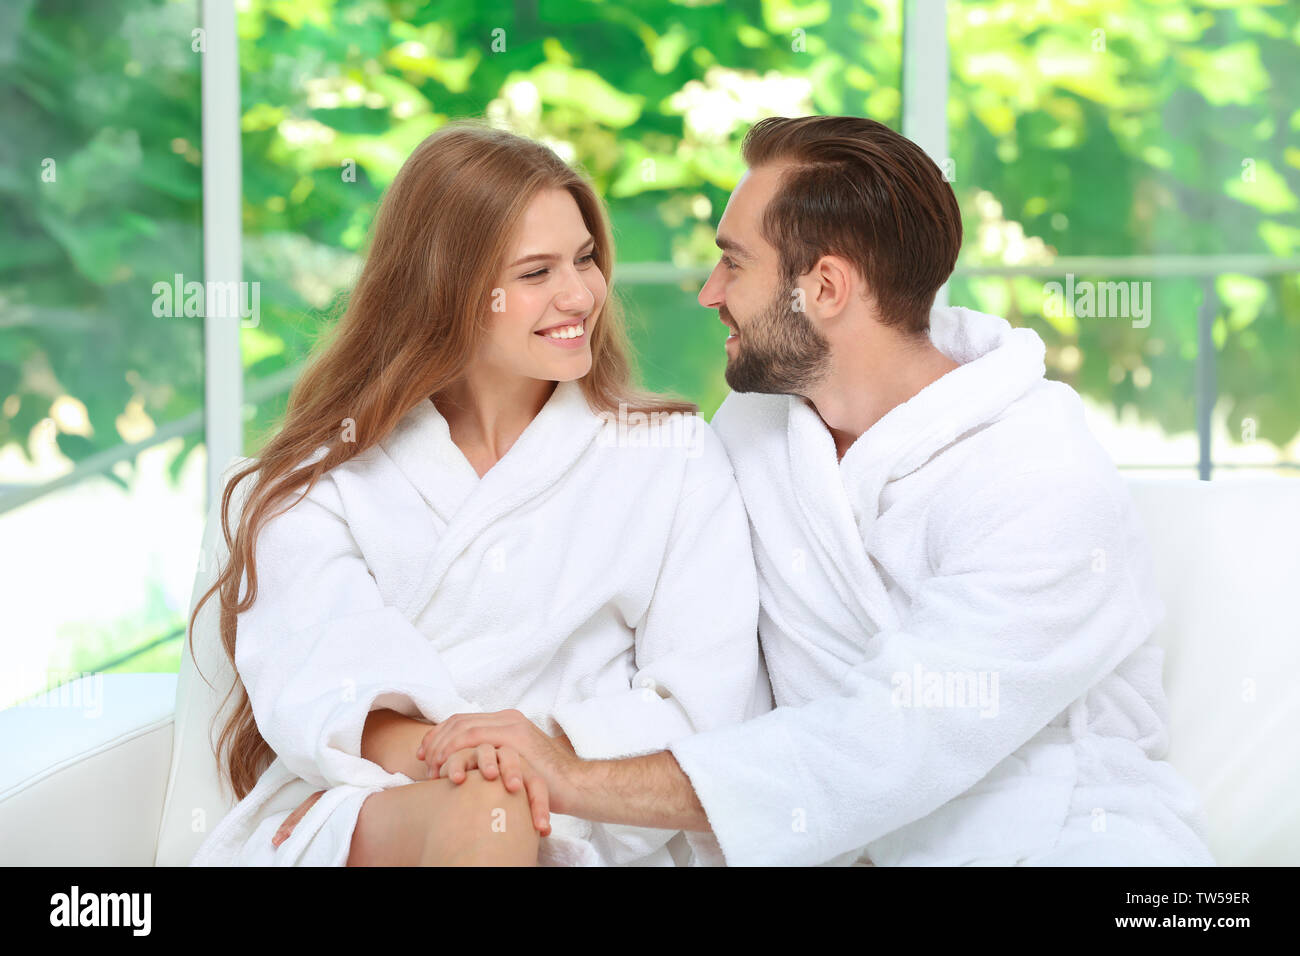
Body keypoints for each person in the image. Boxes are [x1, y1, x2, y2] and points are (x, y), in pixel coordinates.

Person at [419, 114, 1218, 867]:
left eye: (733, 262)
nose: (708, 291)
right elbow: (621, 612)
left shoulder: (1040, 471)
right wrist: (392, 784)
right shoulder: (758, 431)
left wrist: (571, 776)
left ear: (825, 289)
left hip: (1062, 841)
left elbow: (894, 740)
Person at [187, 120, 770, 867]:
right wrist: (488, 763)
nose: (579, 295)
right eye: (536, 274)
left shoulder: (673, 460)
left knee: (498, 808)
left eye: (585, 259)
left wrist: (542, 764)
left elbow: (705, 706)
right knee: (489, 809)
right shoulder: (318, 484)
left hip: (590, 812)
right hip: (388, 808)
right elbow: (334, 701)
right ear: (448, 290)